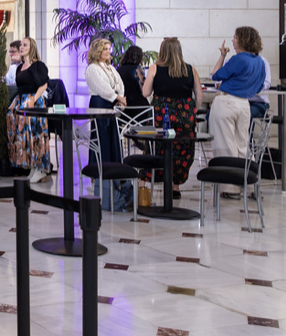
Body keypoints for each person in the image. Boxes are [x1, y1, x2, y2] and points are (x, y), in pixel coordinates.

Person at [141, 37, 202, 199]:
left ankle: (145, 183)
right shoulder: (190, 69)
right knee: (182, 149)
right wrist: (192, 111)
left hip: (162, 115)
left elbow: (145, 93)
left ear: (162, 51)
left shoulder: (155, 68)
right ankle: (175, 186)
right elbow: (199, 95)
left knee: (156, 147)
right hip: (185, 115)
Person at [210, 26, 266, 197]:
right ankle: (251, 185)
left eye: (235, 37)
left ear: (242, 39)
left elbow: (215, 75)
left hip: (226, 102)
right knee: (243, 146)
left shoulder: (238, 59)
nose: (232, 40)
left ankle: (230, 188)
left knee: (225, 144)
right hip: (244, 104)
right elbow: (260, 86)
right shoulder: (260, 61)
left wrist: (222, 55)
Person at [84, 37, 132, 209]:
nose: (108, 52)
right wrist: (117, 98)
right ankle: (100, 173)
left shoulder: (110, 68)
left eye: (109, 48)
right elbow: (101, 88)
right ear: (97, 51)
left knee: (114, 140)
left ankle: (114, 173)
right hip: (100, 105)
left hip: (112, 106)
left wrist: (121, 98)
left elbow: (120, 84)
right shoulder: (92, 69)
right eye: (105, 49)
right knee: (102, 139)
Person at [7, 37, 51, 183]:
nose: (21, 47)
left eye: (25, 45)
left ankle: (40, 168)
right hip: (21, 101)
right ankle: (32, 166)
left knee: (36, 136)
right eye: (21, 45)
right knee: (25, 136)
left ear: (31, 47)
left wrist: (32, 100)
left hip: (34, 102)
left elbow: (44, 85)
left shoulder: (38, 65)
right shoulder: (20, 67)